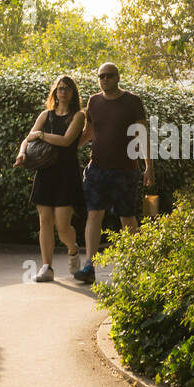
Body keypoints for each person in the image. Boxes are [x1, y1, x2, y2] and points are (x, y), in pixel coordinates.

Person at [72, 62, 154, 284]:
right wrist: (68, 148)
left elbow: (142, 135)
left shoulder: (132, 101)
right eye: (101, 76)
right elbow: (88, 131)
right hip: (97, 169)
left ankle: (136, 264)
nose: (104, 79)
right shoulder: (94, 102)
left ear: (118, 77)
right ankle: (89, 265)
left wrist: (149, 167)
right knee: (94, 214)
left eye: (109, 75)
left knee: (127, 217)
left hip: (125, 171)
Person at [14, 75, 86, 282]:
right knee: (45, 221)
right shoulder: (46, 115)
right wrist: (22, 154)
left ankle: (73, 249)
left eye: (66, 88)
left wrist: (42, 136)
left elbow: (65, 141)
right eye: (59, 88)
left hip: (66, 173)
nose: (62, 92)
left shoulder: (78, 116)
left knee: (62, 225)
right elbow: (28, 138)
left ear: (72, 93)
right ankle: (47, 267)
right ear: (55, 92)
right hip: (46, 172)